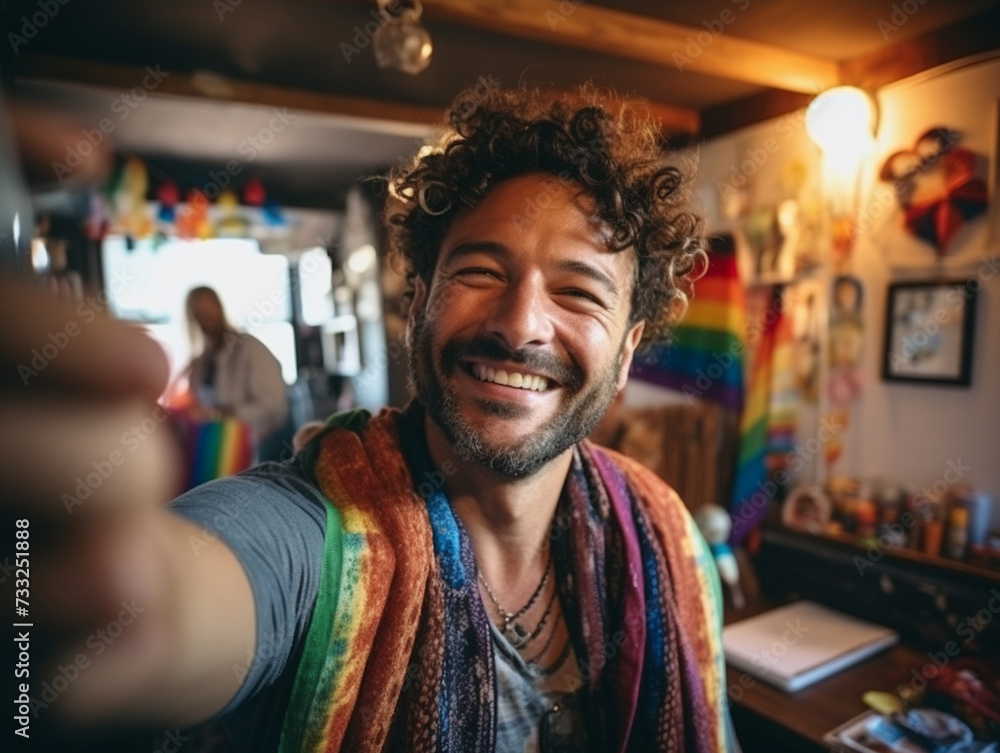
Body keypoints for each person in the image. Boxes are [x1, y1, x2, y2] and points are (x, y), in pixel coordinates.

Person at [0, 81, 739, 753]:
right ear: (418, 300)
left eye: (578, 292)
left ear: (627, 349)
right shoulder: (316, 533)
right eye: (481, 271)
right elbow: (169, 604)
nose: (520, 324)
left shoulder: (666, 535)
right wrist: (86, 592)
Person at [182, 285, 291, 463]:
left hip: (254, 448)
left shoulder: (249, 348)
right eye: (198, 312)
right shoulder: (200, 361)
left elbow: (272, 404)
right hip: (217, 450)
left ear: (219, 308)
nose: (205, 317)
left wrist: (225, 413)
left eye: (209, 309)